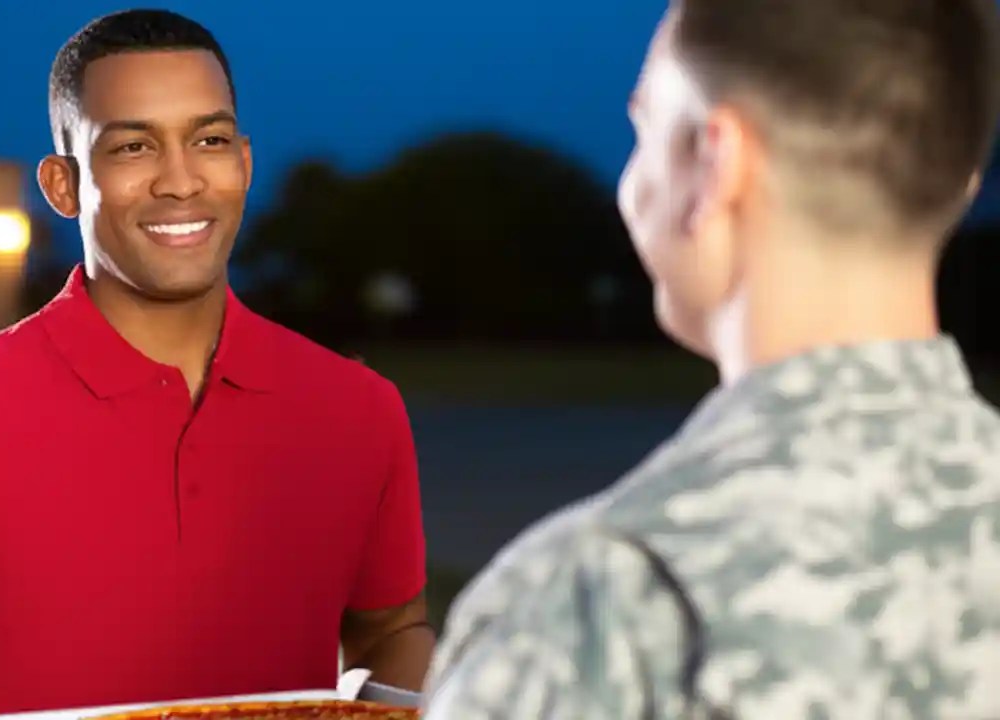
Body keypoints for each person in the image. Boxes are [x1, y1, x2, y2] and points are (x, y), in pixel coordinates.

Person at [0, 9, 432, 719]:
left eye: (209, 140)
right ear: (63, 185)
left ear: (244, 162)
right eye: (133, 148)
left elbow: (391, 629)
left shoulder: (358, 408)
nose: (181, 180)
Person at [422, 0, 1000, 717]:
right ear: (960, 184)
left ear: (714, 161)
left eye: (644, 129)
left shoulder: (607, 601)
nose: (629, 189)